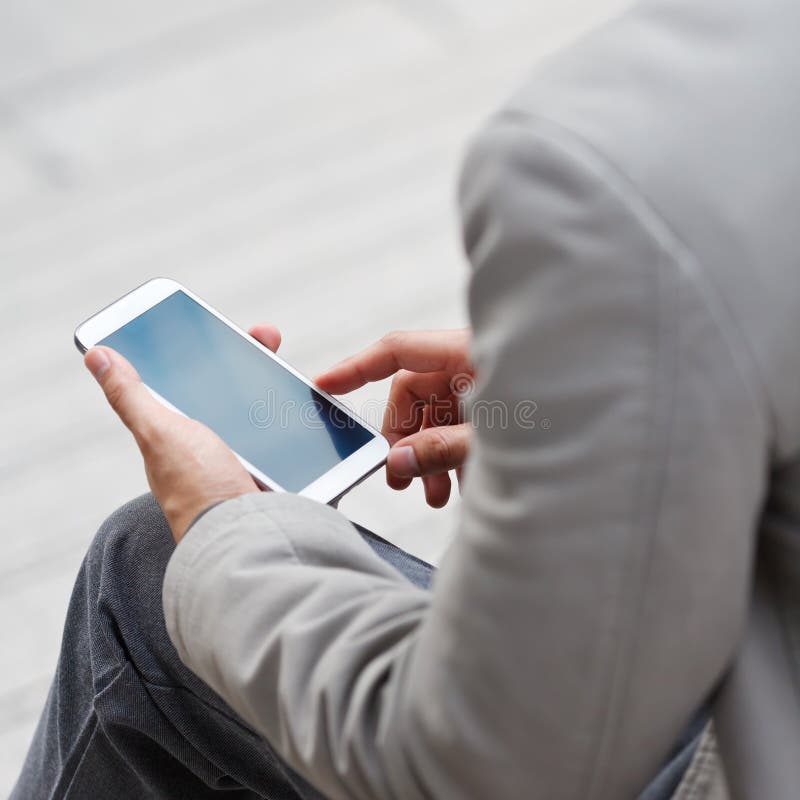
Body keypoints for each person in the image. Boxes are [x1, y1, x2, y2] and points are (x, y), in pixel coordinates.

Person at [14, 0, 800, 795]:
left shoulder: (616, 162)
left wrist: (222, 532)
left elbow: (480, 766)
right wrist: (608, 407)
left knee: (152, 569)